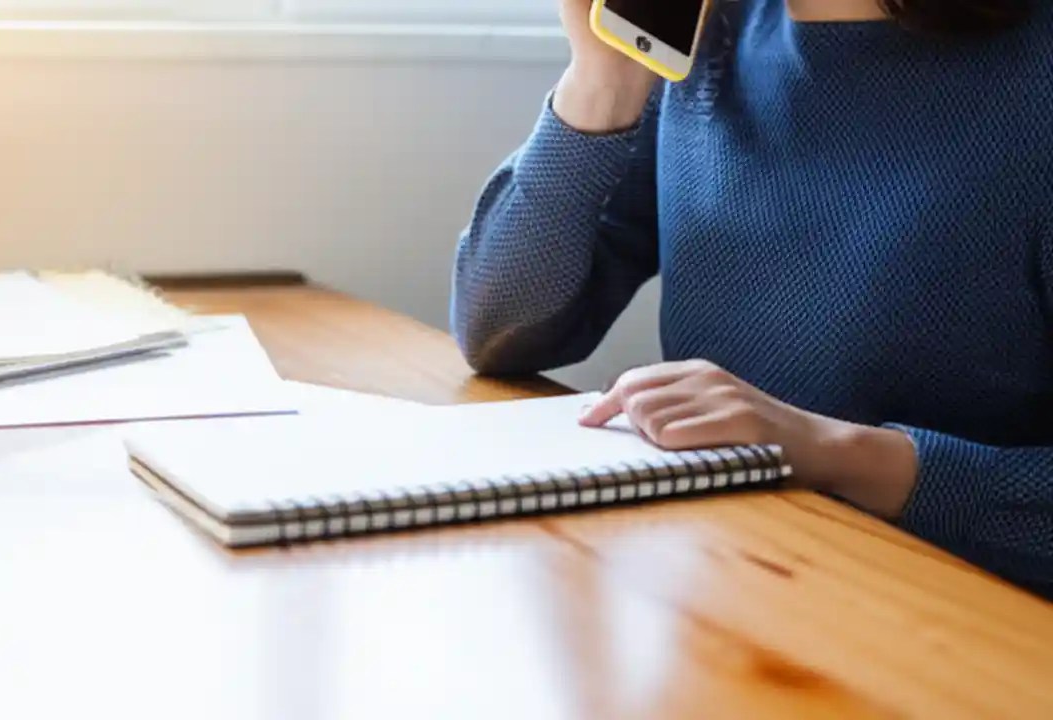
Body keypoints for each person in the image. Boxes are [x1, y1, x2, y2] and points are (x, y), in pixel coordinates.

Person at [451, 0, 1052, 598]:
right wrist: (602, 80)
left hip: (956, 616)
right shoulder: (709, 34)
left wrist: (839, 455)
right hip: (729, 585)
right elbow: (499, 330)